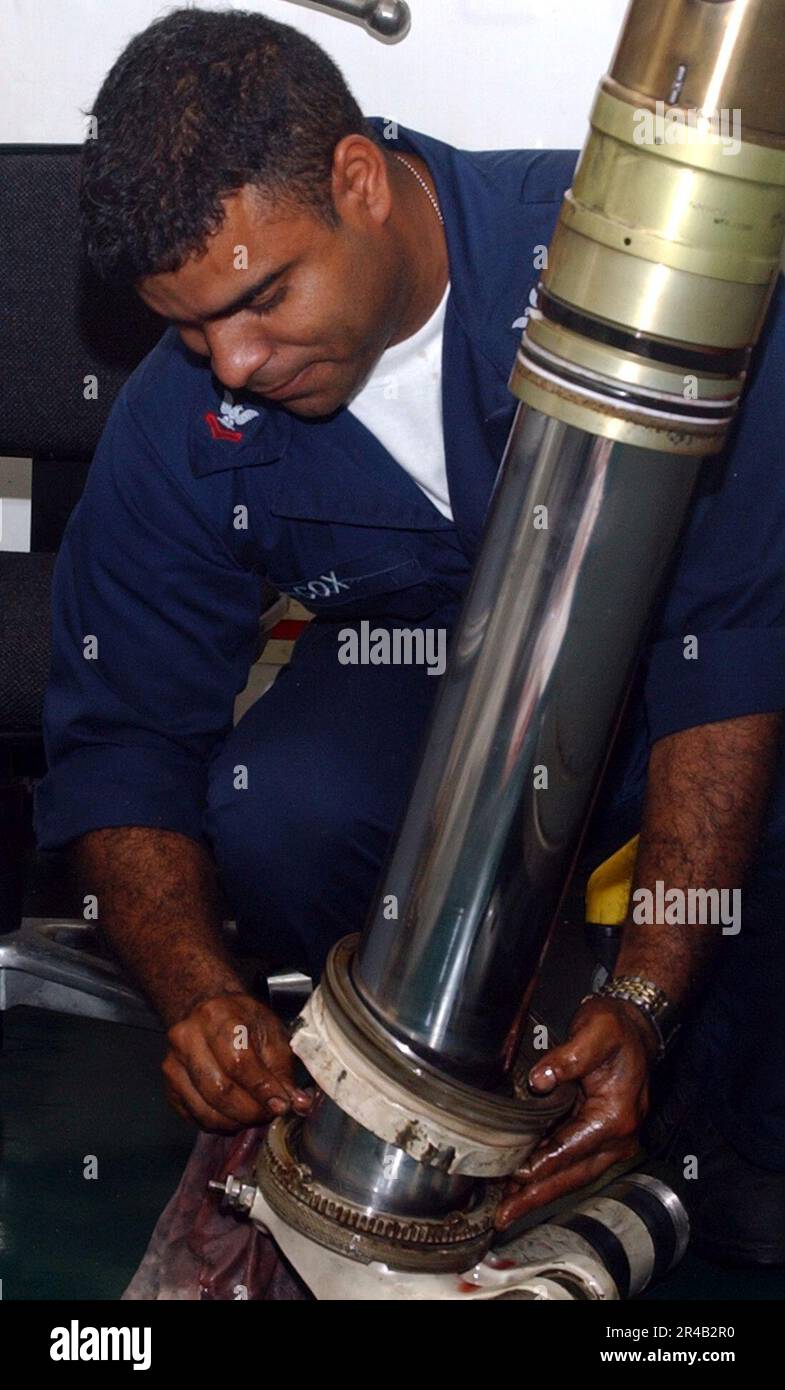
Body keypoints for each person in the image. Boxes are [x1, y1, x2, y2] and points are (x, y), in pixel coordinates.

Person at [34, 7, 785, 1261]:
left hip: (678, 692)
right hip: (435, 699)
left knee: (737, 1175)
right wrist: (198, 992)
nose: (231, 361)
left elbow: (734, 640)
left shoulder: (631, 272)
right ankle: (433, 1097)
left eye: (261, 299)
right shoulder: (190, 410)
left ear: (358, 182)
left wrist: (647, 994)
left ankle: (700, 1129)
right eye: (190, 329)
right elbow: (118, 741)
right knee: (279, 797)